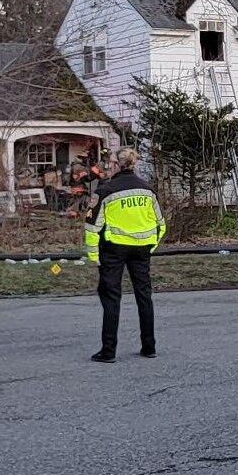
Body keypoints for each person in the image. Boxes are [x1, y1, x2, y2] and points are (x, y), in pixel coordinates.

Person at [83, 147, 166, 363]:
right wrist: (151, 246)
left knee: (111, 298)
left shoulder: (105, 190)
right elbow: (161, 224)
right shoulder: (147, 189)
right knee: (144, 296)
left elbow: (91, 226)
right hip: (142, 249)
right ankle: (149, 346)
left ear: (115, 165)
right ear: (134, 164)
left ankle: (108, 351)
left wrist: (93, 255)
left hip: (113, 249)